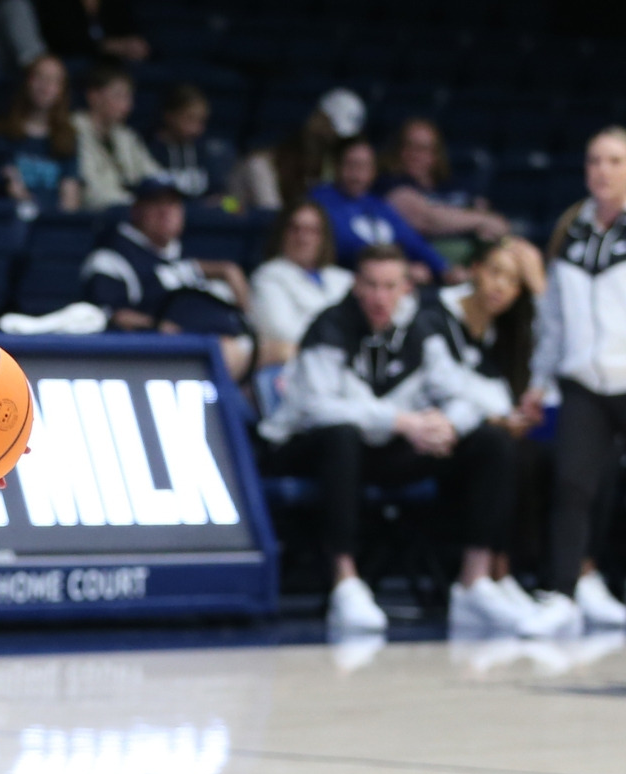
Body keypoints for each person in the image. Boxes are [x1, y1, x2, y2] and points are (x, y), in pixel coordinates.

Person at [257, 245, 529, 634]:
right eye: (371, 285)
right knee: (341, 437)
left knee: (492, 441)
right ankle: (345, 582)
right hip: (304, 447)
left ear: (405, 288)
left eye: (389, 286)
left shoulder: (420, 329)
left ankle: (475, 581)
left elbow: (461, 393)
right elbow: (316, 408)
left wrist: (446, 426)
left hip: (383, 451)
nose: (380, 297)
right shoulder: (330, 326)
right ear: (355, 286)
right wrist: (402, 421)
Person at [530, 128, 626, 633]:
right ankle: (564, 593)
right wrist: (538, 380)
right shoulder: (570, 231)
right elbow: (553, 321)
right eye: (595, 161)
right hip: (583, 381)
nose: (603, 171)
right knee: (571, 485)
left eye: (614, 160)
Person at [434, 238, 559, 602]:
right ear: (475, 270)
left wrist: (511, 417)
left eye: (514, 281)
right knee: (501, 448)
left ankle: (512, 575)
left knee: (538, 454)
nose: (501, 287)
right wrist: (496, 418)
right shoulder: (434, 315)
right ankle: (484, 577)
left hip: (477, 433)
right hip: (433, 433)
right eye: (495, 273)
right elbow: (439, 386)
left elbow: (555, 344)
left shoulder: (500, 331)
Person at [82, 178, 253, 379]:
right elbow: (105, 315)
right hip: (149, 358)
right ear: (136, 210)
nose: (166, 211)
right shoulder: (111, 257)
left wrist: (228, 270)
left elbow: (195, 270)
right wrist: (160, 327)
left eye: (173, 204)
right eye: (155, 203)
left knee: (277, 348)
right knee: (231, 352)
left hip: (204, 346)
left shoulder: (176, 253)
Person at [313, 137, 451, 284]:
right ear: (337, 166)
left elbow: (413, 241)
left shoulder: (377, 204)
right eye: (352, 164)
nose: (357, 174)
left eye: (365, 166)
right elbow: (344, 244)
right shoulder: (320, 200)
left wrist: (444, 269)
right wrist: (402, 269)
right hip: (344, 281)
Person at [378, 117, 508, 265]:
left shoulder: (453, 184)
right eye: (409, 146)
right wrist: (480, 220)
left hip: (473, 264)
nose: (415, 155)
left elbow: (494, 219)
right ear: (397, 150)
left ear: (435, 154)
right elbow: (427, 219)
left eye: (423, 149)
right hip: (430, 267)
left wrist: (486, 222)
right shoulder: (390, 183)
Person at [249, 201, 354, 367]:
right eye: (295, 229)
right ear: (282, 233)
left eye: (312, 231)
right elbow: (280, 331)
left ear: (323, 237)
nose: (303, 238)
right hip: (293, 368)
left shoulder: (344, 278)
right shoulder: (268, 275)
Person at [231, 88, 364, 212]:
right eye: (331, 130)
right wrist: (231, 205)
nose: (332, 140)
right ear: (317, 119)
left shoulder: (329, 168)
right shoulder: (260, 164)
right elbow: (228, 203)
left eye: (339, 138)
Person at [0, 53, 81, 212]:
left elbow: (70, 196)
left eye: (54, 81)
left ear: (62, 90)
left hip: (52, 225)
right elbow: (9, 185)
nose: (46, 86)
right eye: (40, 77)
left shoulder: (67, 137)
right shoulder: (3, 132)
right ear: (27, 82)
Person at [73, 62, 160, 212]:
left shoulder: (126, 136)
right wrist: (139, 205)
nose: (127, 106)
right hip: (93, 216)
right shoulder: (73, 130)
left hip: (130, 212)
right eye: (119, 96)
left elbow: (153, 175)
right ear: (93, 96)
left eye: (128, 97)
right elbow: (91, 191)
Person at [147, 83, 233, 202]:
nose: (198, 129)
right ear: (169, 115)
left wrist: (234, 207)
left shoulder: (204, 151)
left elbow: (221, 196)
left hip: (201, 217)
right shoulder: (149, 151)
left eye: (201, 121)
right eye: (190, 118)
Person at [35, 0, 149, 62]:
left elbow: (130, 29)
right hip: (71, 60)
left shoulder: (115, 4)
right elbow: (61, 40)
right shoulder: (56, 3)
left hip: (115, 62)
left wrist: (134, 45)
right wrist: (107, 46)